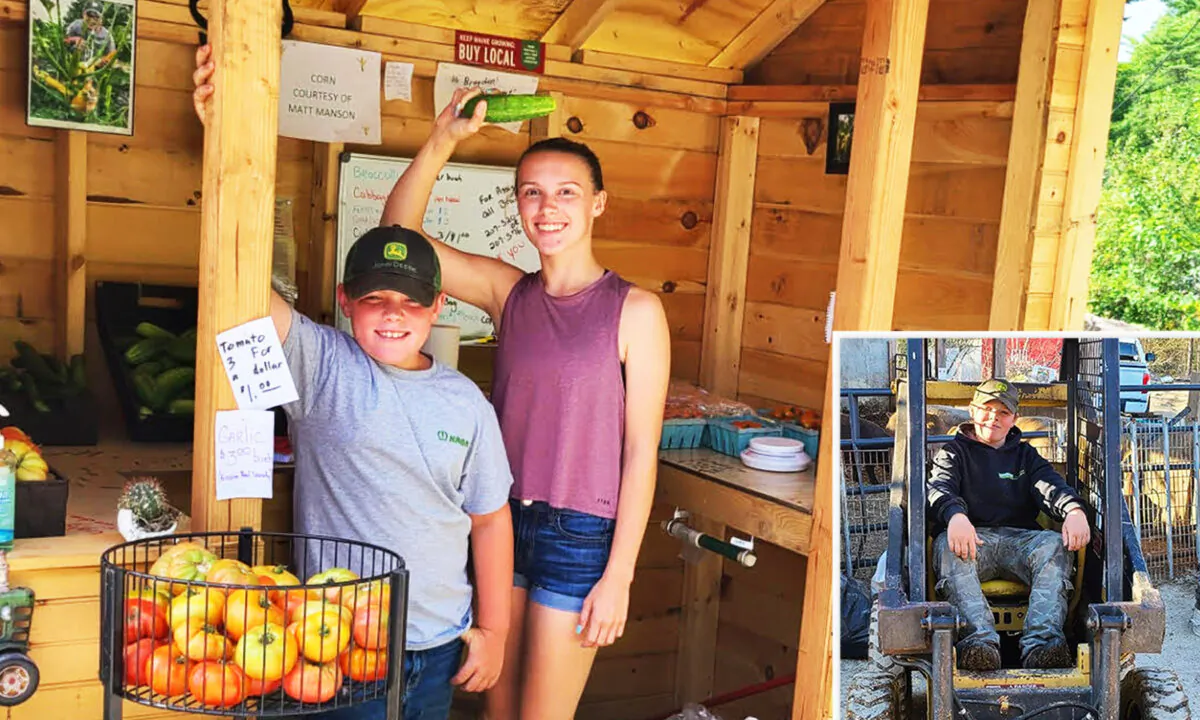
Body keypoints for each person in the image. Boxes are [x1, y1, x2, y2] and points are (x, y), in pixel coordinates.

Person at [192, 47, 515, 720]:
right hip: (334, 649)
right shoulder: (323, 363)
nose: (392, 315)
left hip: (439, 646)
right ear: (345, 301)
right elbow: (240, 266)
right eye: (375, 300)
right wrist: (220, 138)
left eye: (409, 303)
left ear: (436, 309)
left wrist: (495, 630)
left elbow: (489, 521)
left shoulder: (466, 402)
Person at [381, 89, 671, 719]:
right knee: (496, 709)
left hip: (581, 534)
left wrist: (619, 575)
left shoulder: (637, 310)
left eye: (566, 191)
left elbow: (640, 453)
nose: (547, 207)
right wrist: (442, 141)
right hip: (501, 522)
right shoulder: (507, 292)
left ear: (597, 203)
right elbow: (396, 239)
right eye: (531, 192)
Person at [927, 379, 1091, 671]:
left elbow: (1050, 486)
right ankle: (978, 644)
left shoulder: (1026, 456)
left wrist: (1074, 510)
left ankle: (1042, 645)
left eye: (1003, 412)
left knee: (1053, 545)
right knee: (949, 549)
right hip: (973, 541)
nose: (994, 417)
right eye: (987, 409)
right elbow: (940, 487)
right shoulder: (952, 453)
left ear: (1014, 418)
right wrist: (955, 515)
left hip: (1021, 541)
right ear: (972, 411)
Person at [64, 1, 116, 68]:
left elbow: (112, 53)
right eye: (89, 15)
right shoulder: (75, 25)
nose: (92, 20)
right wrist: (74, 39)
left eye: (96, 17)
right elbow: (63, 40)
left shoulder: (107, 35)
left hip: (95, 68)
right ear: (83, 15)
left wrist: (105, 60)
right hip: (73, 66)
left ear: (101, 19)